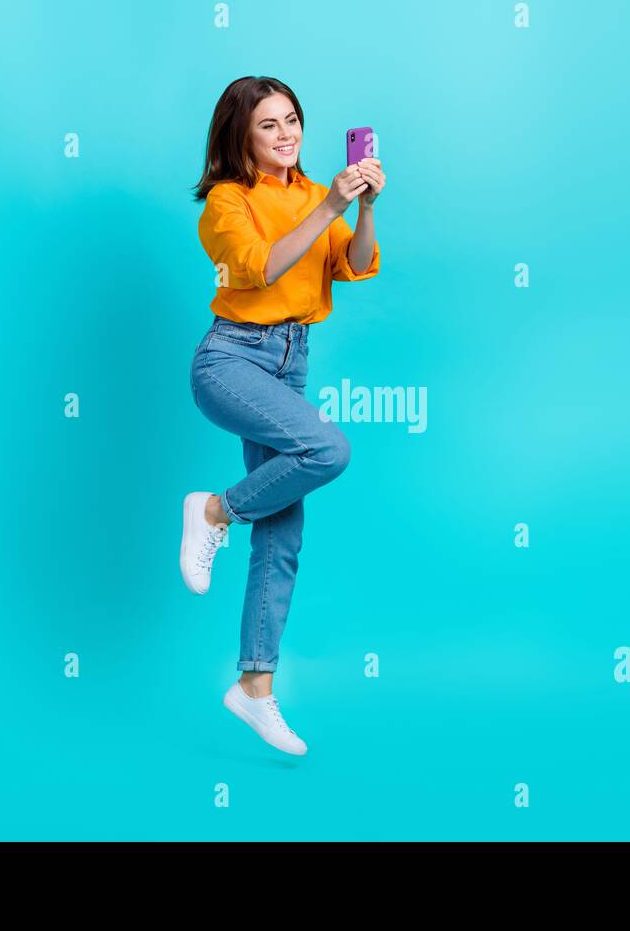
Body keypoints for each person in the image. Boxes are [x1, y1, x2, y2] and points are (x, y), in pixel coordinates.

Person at [181, 76, 385, 756]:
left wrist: (365, 210)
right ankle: (213, 511)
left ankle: (255, 689)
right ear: (240, 135)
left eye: (293, 120)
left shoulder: (310, 196)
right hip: (232, 361)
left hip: (292, 358)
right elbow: (262, 267)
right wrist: (331, 203)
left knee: (283, 535)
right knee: (327, 451)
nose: (287, 135)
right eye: (269, 125)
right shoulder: (225, 201)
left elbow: (355, 268)